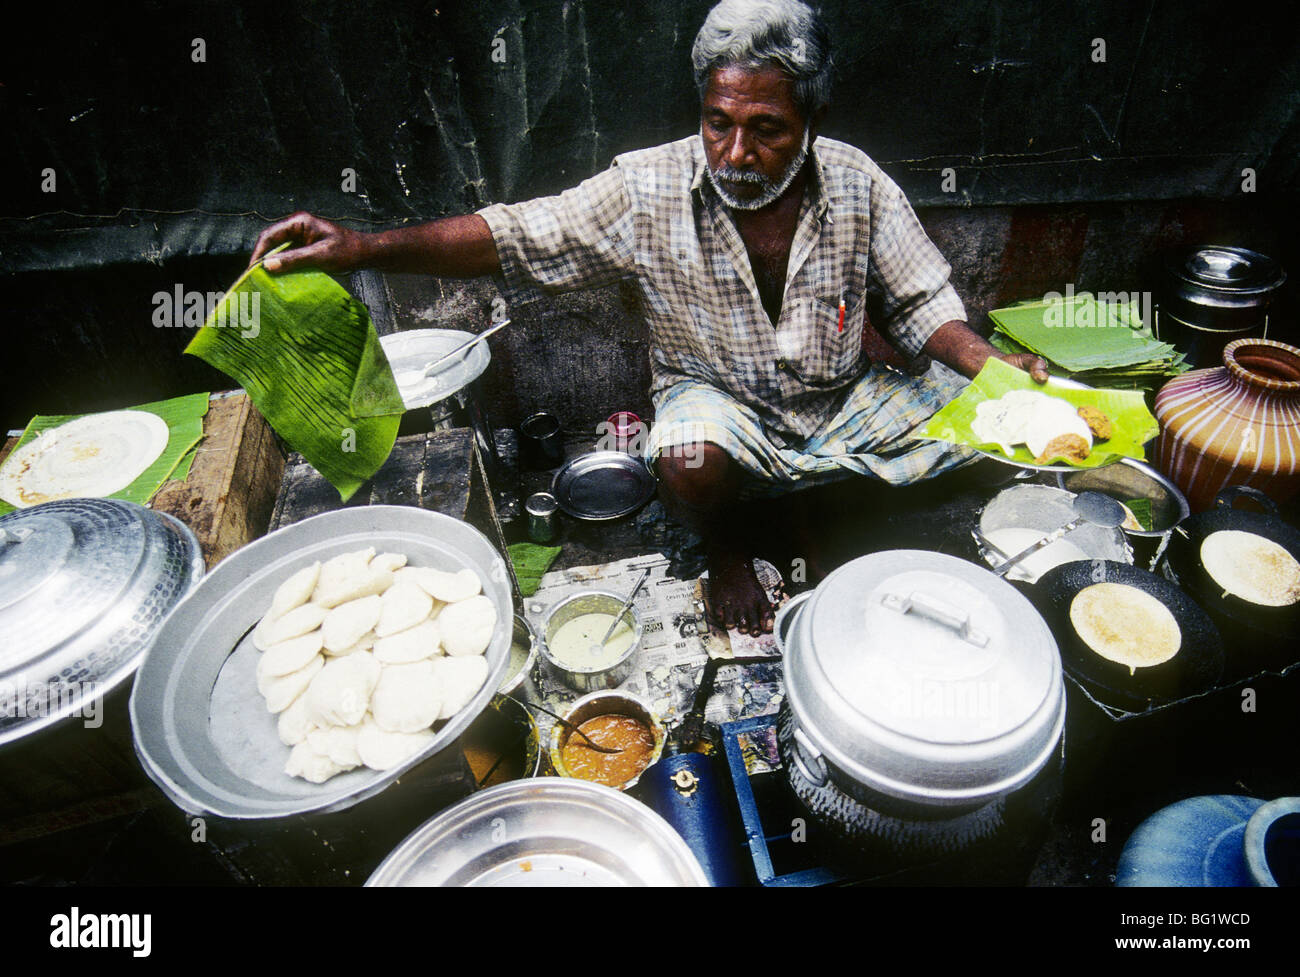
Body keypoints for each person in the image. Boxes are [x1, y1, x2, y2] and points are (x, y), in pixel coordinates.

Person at [250, 0, 1048, 636]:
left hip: (841, 402)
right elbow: (514, 233)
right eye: (717, 122)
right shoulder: (650, 188)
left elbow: (920, 304)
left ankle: (810, 500)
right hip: (721, 405)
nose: (735, 152)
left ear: (810, 120)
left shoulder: (857, 183)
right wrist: (359, 246)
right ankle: (728, 544)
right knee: (689, 456)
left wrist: (996, 371)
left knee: (997, 425)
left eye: (766, 129)